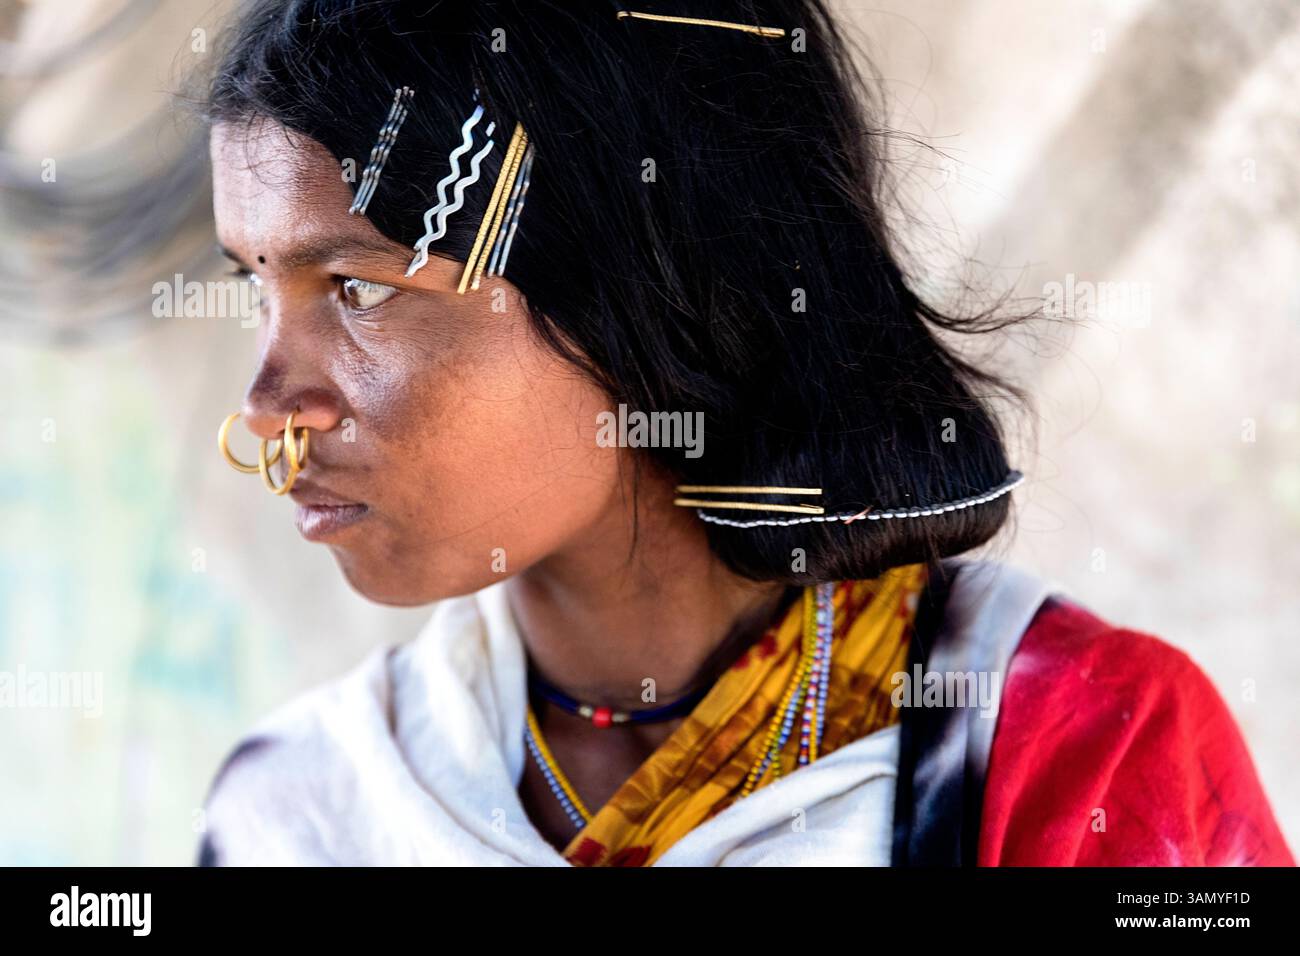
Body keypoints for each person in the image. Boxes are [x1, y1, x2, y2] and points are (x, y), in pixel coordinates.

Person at [196, 0, 1293, 866]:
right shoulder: (299, 809)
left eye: (356, 285)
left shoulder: (1071, 750)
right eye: (257, 283)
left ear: (646, 283)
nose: (264, 408)